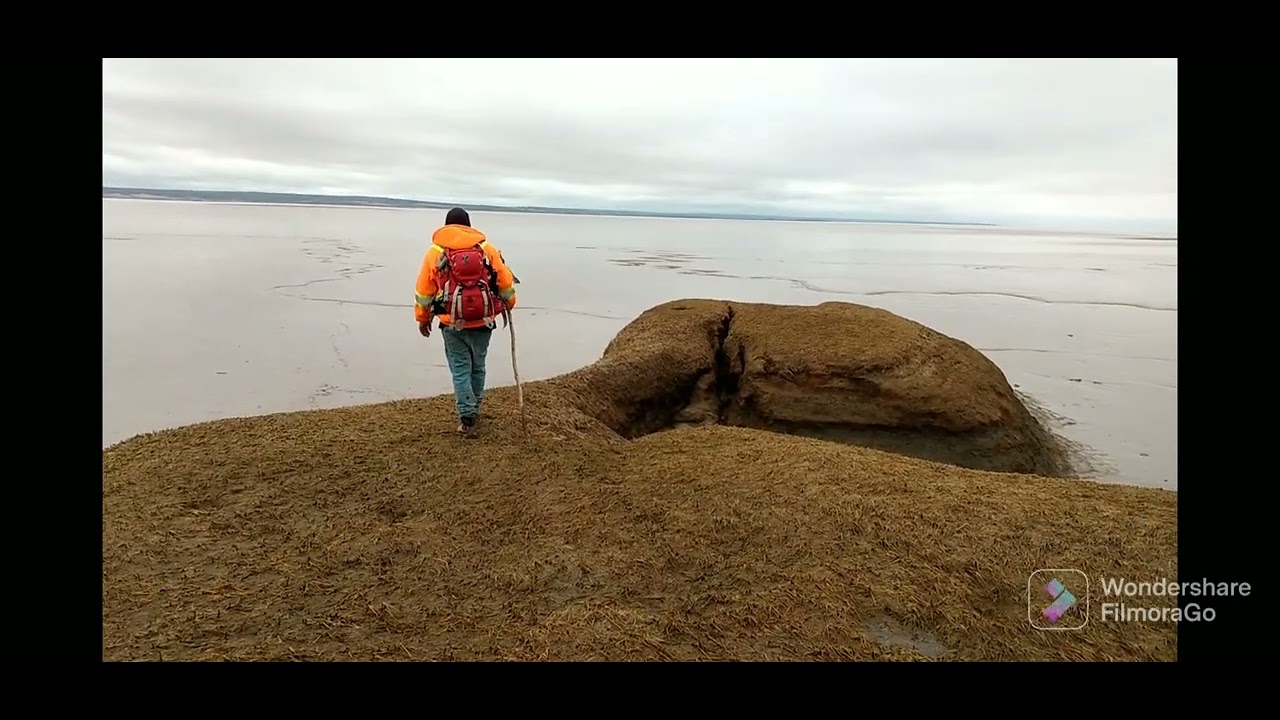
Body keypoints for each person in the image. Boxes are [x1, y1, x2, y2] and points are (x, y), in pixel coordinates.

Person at [414, 207, 518, 438]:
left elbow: (424, 290)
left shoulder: (435, 252)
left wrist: (422, 319)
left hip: (451, 322)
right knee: (478, 366)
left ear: (446, 226)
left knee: (460, 369)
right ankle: (474, 408)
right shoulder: (486, 249)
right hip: (483, 321)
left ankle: (467, 418)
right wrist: (509, 304)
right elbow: (505, 282)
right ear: (469, 226)